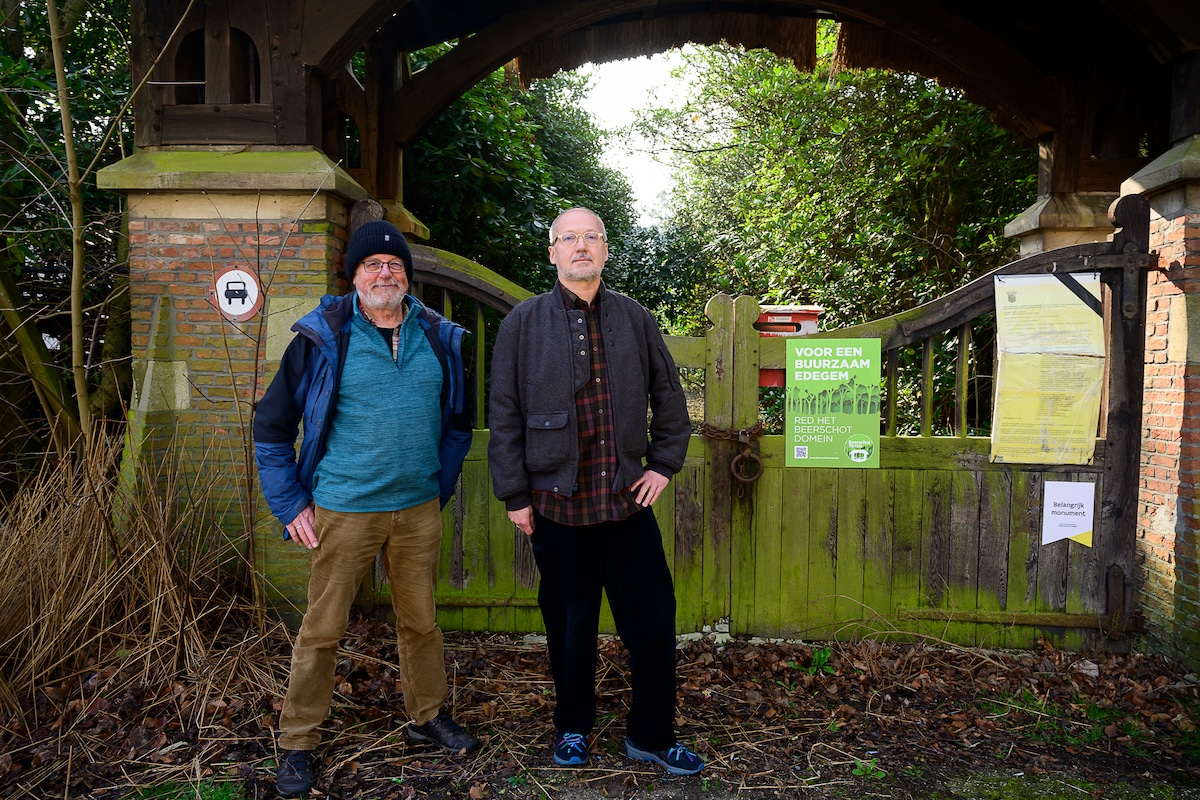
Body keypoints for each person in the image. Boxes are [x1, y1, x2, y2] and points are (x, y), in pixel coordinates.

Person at [254, 219, 480, 798]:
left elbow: (457, 427)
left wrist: (437, 486)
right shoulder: (321, 338)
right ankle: (298, 743)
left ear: (408, 274)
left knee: (421, 623)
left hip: (416, 511)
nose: (385, 273)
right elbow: (271, 426)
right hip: (343, 509)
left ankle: (427, 716)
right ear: (353, 274)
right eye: (372, 265)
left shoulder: (440, 338)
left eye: (395, 265)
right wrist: (289, 504)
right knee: (322, 629)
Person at [487, 207, 705, 775]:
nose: (581, 247)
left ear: (605, 251)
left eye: (591, 238)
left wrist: (663, 463)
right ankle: (573, 729)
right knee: (570, 627)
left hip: (626, 502)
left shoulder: (635, 319)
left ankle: (652, 736)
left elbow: (670, 397)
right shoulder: (522, 324)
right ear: (552, 251)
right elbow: (504, 412)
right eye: (569, 238)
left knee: (653, 623)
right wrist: (514, 494)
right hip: (557, 507)